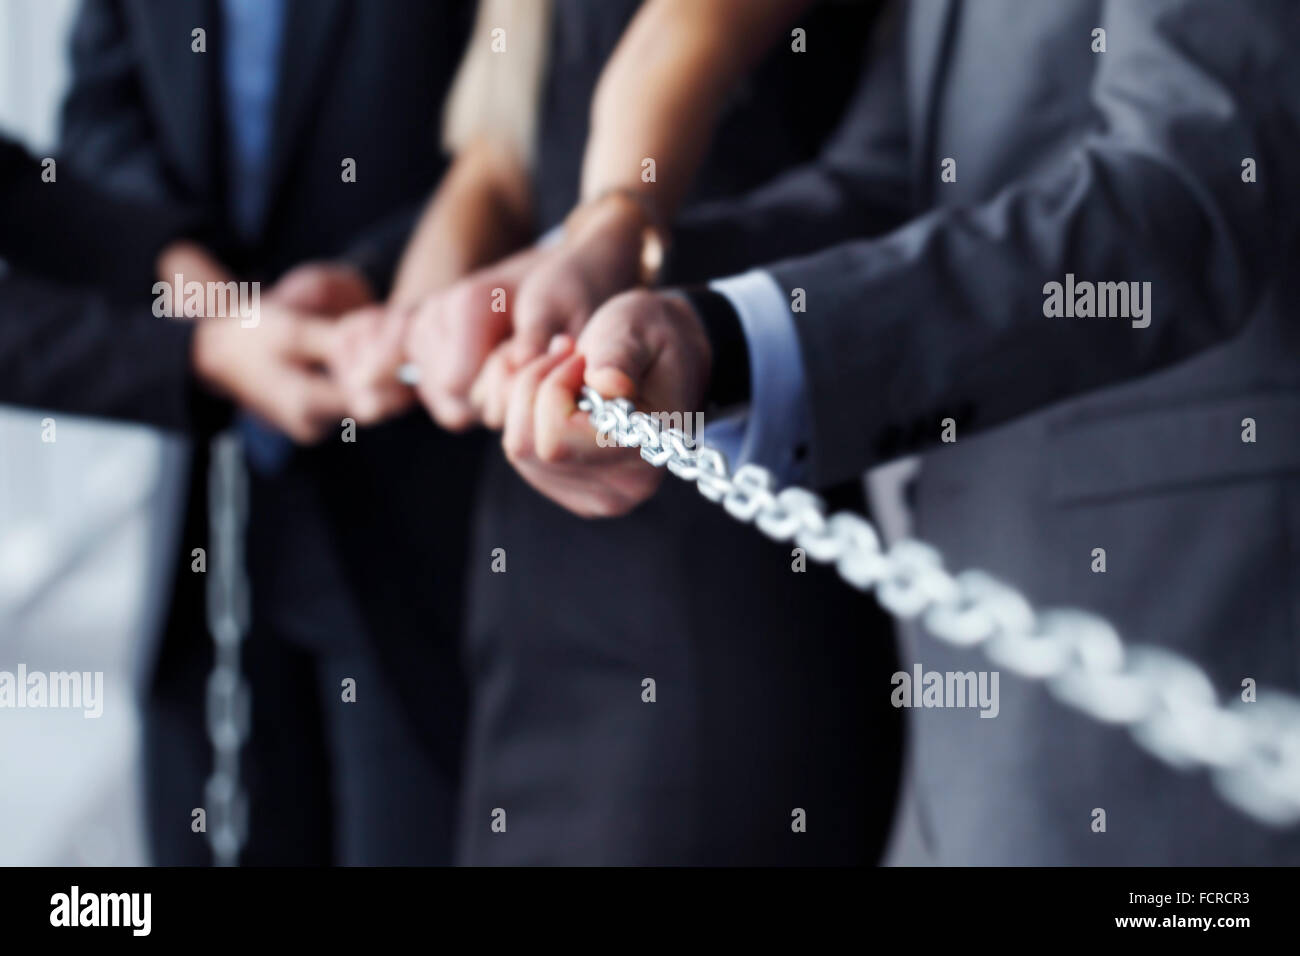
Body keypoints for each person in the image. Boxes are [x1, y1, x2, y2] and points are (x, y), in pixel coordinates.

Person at [509, 0, 1300, 863]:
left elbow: (1181, 200)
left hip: (1183, 626)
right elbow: (881, 191)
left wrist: (726, 343)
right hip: (979, 697)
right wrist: (611, 306)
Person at [339, 0, 901, 865]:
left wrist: (611, 227)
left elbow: (692, 26)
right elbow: (501, 153)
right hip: (538, 558)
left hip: (722, 528)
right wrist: (417, 319)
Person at [60, 0, 478, 865]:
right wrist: (208, 306)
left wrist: (373, 288)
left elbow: (521, 140)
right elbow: (98, 121)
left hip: (429, 485)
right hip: (213, 497)